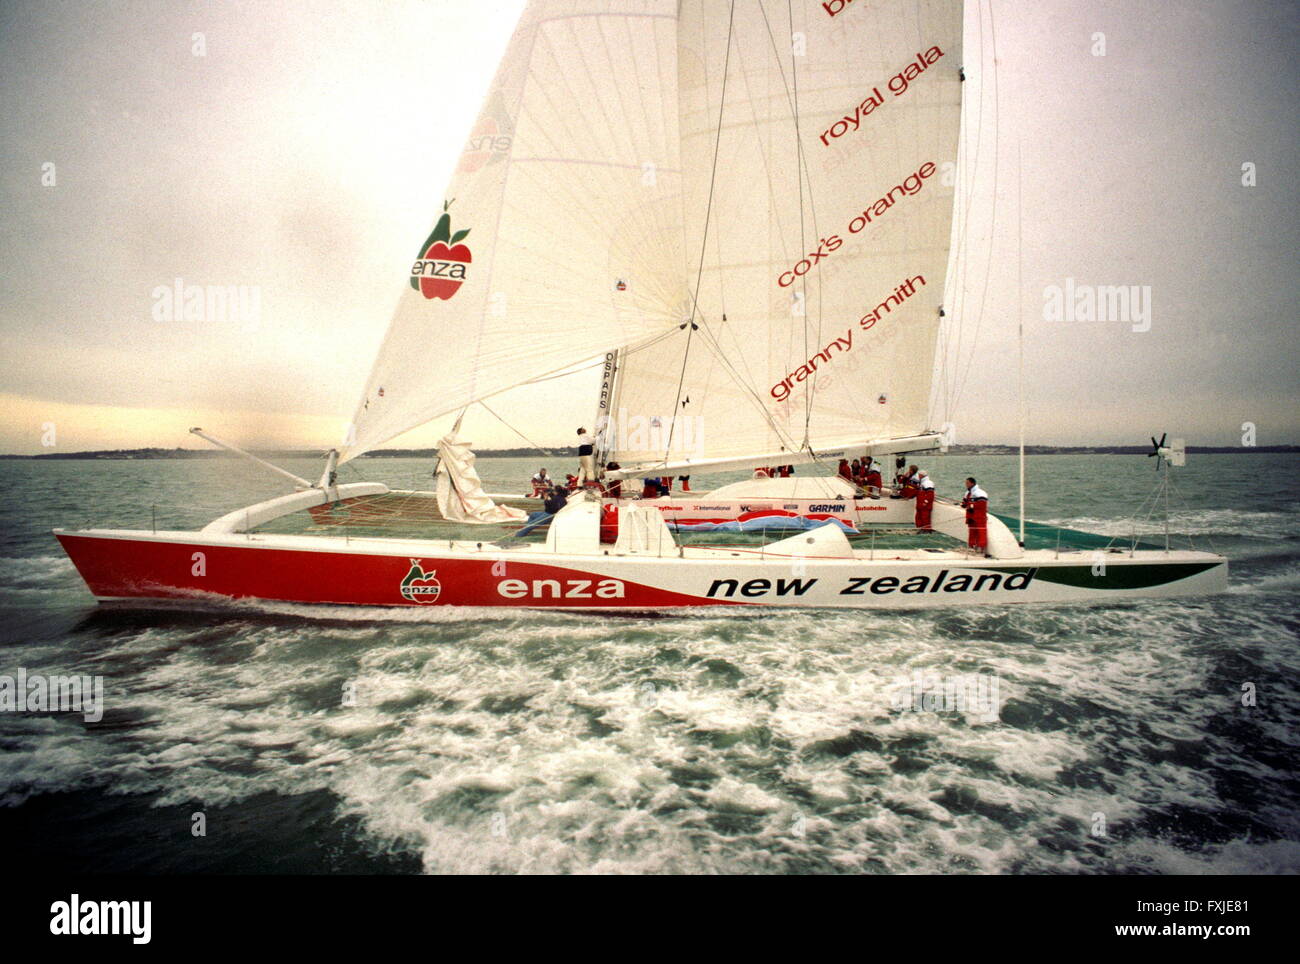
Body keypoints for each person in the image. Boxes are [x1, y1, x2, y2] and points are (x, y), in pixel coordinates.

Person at [961, 476, 990, 555]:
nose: (966, 484)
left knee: (981, 531)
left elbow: (982, 504)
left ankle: (981, 548)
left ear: (972, 483)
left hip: (979, 516)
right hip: (970, 516)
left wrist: (971, 506)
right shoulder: (967, 493)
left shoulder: (980, 493)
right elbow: (965, 501)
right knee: (972, 531)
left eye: (967, 483)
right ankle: (971, 546)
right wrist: (964, 505)